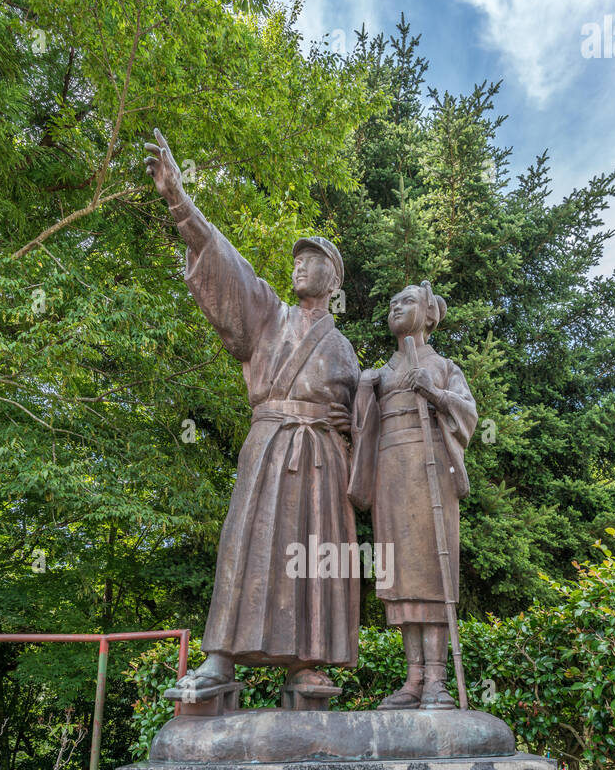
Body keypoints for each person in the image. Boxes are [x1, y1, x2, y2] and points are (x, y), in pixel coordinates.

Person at [144, 129, 360, 697]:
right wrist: (180, 203)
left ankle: (306, 662)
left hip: (322, 461)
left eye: (312, 262)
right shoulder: (270, 316)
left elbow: (366, 414)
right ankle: (220, 659)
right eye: (297, 261)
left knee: (315, 557)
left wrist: (354, 431)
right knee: (246, 542)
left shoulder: (343, 347)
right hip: (270, 444)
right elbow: (226, 267)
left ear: (332, 279)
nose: (299, 268)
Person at [349, 281, 477, 708]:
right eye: (391, 303)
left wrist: (436, 394)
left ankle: (437, 682)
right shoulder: (381, 373)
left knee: (432, 572)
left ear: (427, 314)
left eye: (406, 301)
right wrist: (366, 392)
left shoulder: (443, 366)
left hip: (431, 471)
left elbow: (469, 414)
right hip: (392, 473)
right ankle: (412, 679)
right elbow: (361, 429)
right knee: (400, 576)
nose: (395, 307)